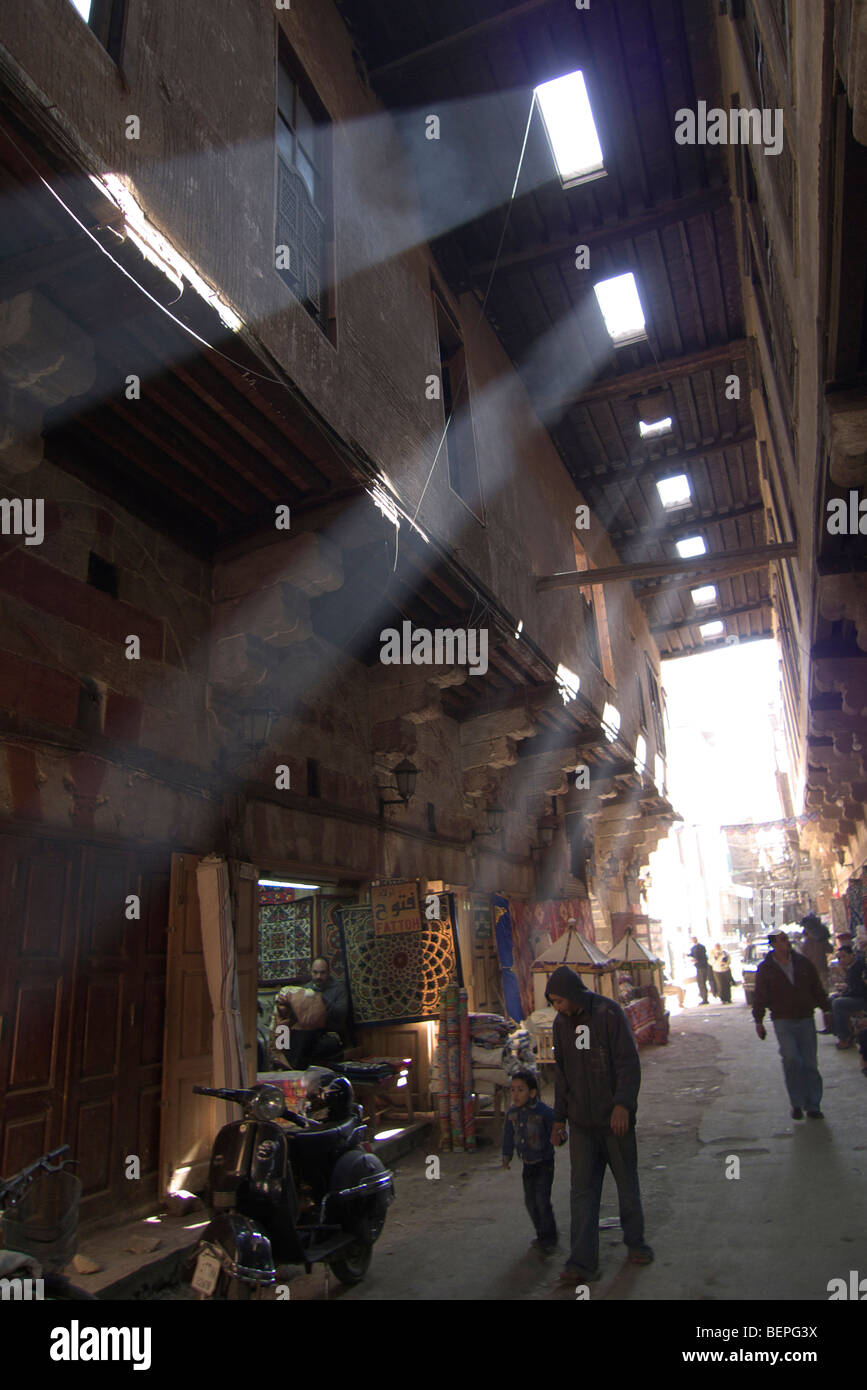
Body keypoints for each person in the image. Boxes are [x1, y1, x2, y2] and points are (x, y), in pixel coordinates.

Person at [545, 964, 653, 1284]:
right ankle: (582, 1263)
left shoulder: (609, 1014)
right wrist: (559, 1119)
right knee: (582, 1192)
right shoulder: (560, 1025)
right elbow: (562, 1075)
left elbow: (627, 1063)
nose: (557, 1007)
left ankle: (636, 1243)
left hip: (613, 1120)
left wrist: (623, 1104)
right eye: (553, 1002)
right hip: (581, 1124)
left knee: (626, 1183)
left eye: (559, 1000)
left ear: (574, 995)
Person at [752, 928, 831, 1119]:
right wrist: (759, 1020)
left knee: (810, 1063)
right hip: (783, 1019)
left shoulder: (803, 963)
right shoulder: (766, 969)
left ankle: (813, 1105)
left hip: (805, 1017)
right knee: (791, 1059)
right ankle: (796, 1102)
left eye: (786, 939)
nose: (786, 943)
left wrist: (826, 1009)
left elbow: (816, 988)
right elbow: (760, 995)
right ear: (773, 944)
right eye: (781, 940)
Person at [502, 1070, 558, 1255]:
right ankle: (541, 1233)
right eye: (513, 1090)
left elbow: (557, 1130)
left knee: (542, 1200)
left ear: (532, 1093)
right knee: (530, 1202)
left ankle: (549, 1238)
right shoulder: (512, 1114)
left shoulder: (545, 1113)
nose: (515, 1094)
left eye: (521, 1090)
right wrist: (507, 1154)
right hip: (527, 1164)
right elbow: (508, 1136)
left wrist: (560, 1137)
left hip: (544, 1163)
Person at [271, 958, 349, 1070]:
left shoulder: (338, 989)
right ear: (310, 972)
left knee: (312, 1043)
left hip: (329, 1032)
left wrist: (320, 999)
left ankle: (294, 1068)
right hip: (307, 1031)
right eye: (315, 972)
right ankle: (287, 1064)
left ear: (329, 972)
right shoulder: (306, 989)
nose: (318, 976)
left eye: (322, 973)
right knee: (289, 1031)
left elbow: (340, 1014)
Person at [830, 943, 867, 1050]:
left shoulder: (859, 967)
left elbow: (858, 990)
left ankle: (844, 1037)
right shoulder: (851, 967)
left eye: (844, 956)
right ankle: (834, 1029)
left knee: (838, 1003)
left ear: (852, 955)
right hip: (856, 996)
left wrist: (844, 993)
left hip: (862, 999)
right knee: (832, 998)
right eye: (839, 957)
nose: (841, 959)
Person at [799, 914, 833, 1032]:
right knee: (824, 999)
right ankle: (828, 1025)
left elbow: (804, 957)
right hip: (821, 971)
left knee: (817, 1000)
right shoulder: (820, 940)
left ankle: (827, 1025)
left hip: (813, 973)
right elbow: (830, 949)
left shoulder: (808, 942)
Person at [688, 937, 711, 1004]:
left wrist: (697, 961)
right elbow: (693, 955)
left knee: (702, 982)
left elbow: (702, 956)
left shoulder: (700, 947)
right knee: (700, 982)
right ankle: (703, 997)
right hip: (699, 966)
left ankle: (704, 998)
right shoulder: (693, 948)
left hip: (702, 966)